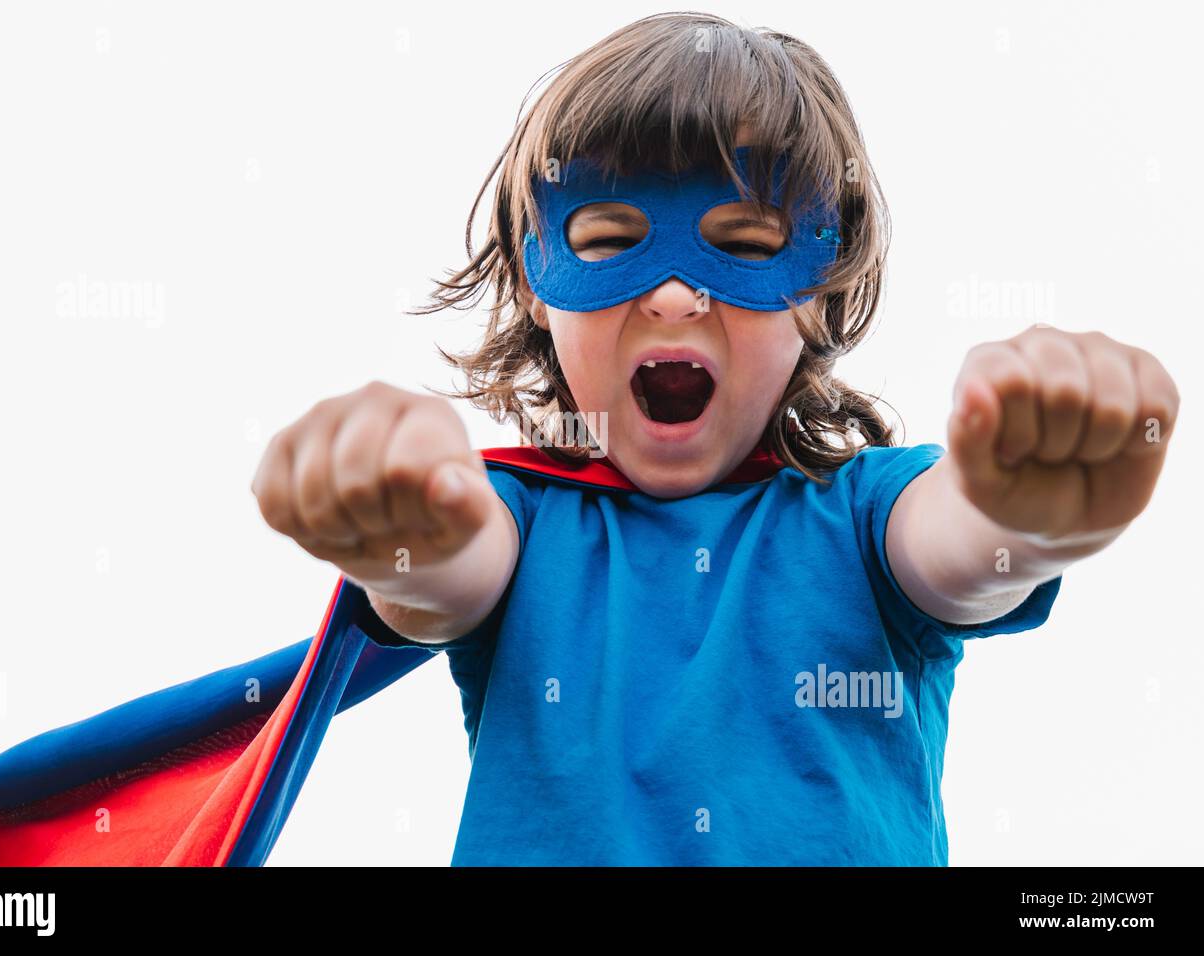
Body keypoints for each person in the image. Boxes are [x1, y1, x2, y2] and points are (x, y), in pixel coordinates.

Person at [249, 13, 1180, 865]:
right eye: (611, 238)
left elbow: (960, 551)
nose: (673, 295)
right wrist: (405, 520)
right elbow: (449, 572)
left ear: (819, 291)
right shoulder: (518, 522)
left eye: (742, 243)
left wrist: (1018, 507)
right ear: (538, 282)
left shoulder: (866, 518)